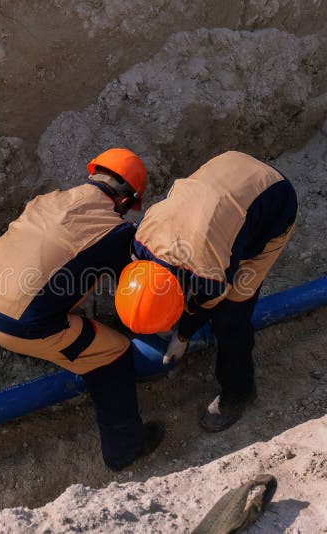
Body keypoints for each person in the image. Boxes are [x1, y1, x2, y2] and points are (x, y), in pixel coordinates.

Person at [0, 148, 164, 471]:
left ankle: (29, 348)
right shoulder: (117, 231)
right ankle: (125, 449)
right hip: (21, 326)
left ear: (93, 175)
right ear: (127, 202)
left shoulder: (46, 200)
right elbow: (134, 292)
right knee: (112, 354)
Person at [115, 151, 298, 432]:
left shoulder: (209, 276)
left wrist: (182, 335)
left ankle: (239, 392)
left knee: (231, 318)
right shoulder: (141, 241)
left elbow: (206, 304)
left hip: (272, 200)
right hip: (228, 168)